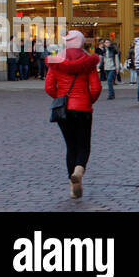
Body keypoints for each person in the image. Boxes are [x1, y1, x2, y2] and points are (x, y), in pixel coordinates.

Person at [44, 30, 102, 199]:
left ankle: (72, 185)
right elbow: (96, 88)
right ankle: (79, 171)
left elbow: (49, 87)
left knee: (71, 147)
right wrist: (88, 100)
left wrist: (60, 98)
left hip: (64, 110)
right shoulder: (88, 63)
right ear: (81, 43)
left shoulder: (56, 62)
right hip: (83, 108)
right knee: (84, 146)